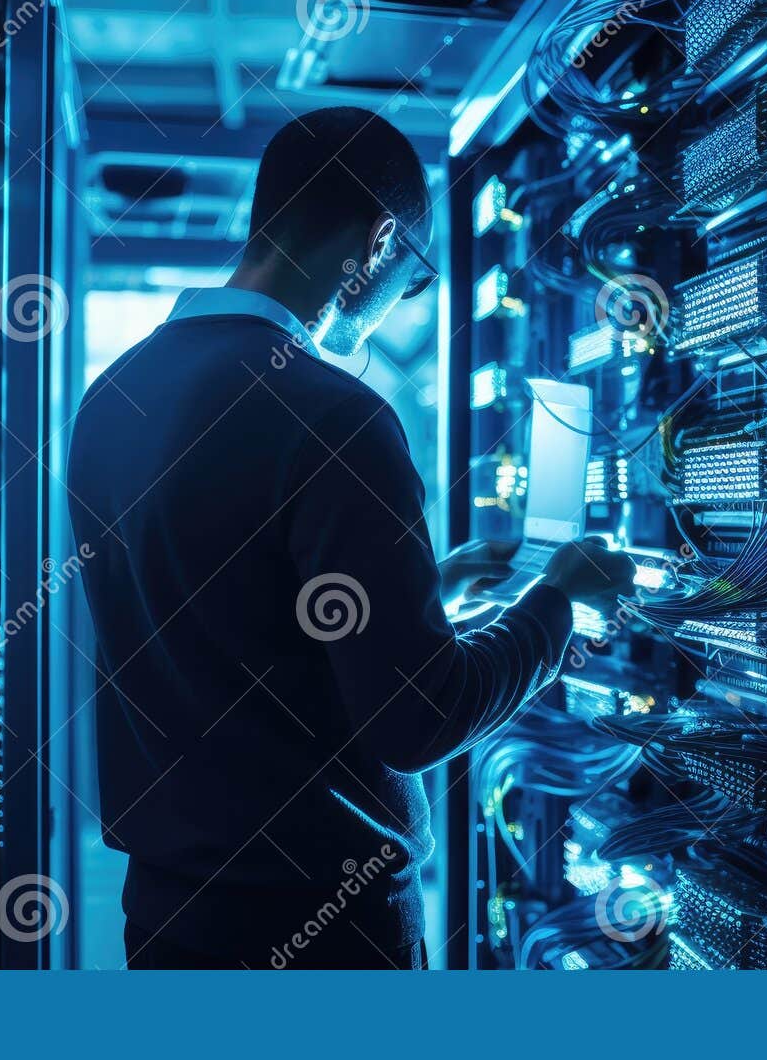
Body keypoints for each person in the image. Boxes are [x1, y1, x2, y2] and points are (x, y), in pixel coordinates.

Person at [66, 107, 634, 970]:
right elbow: (419, 718)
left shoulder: (111, 400)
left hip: (166, 927)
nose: (401, 298)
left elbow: (225, 618)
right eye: (410, 275)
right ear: (375, 245)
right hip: (327, 936)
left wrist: (422, 589)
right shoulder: (337, 418)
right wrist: (560, 605)